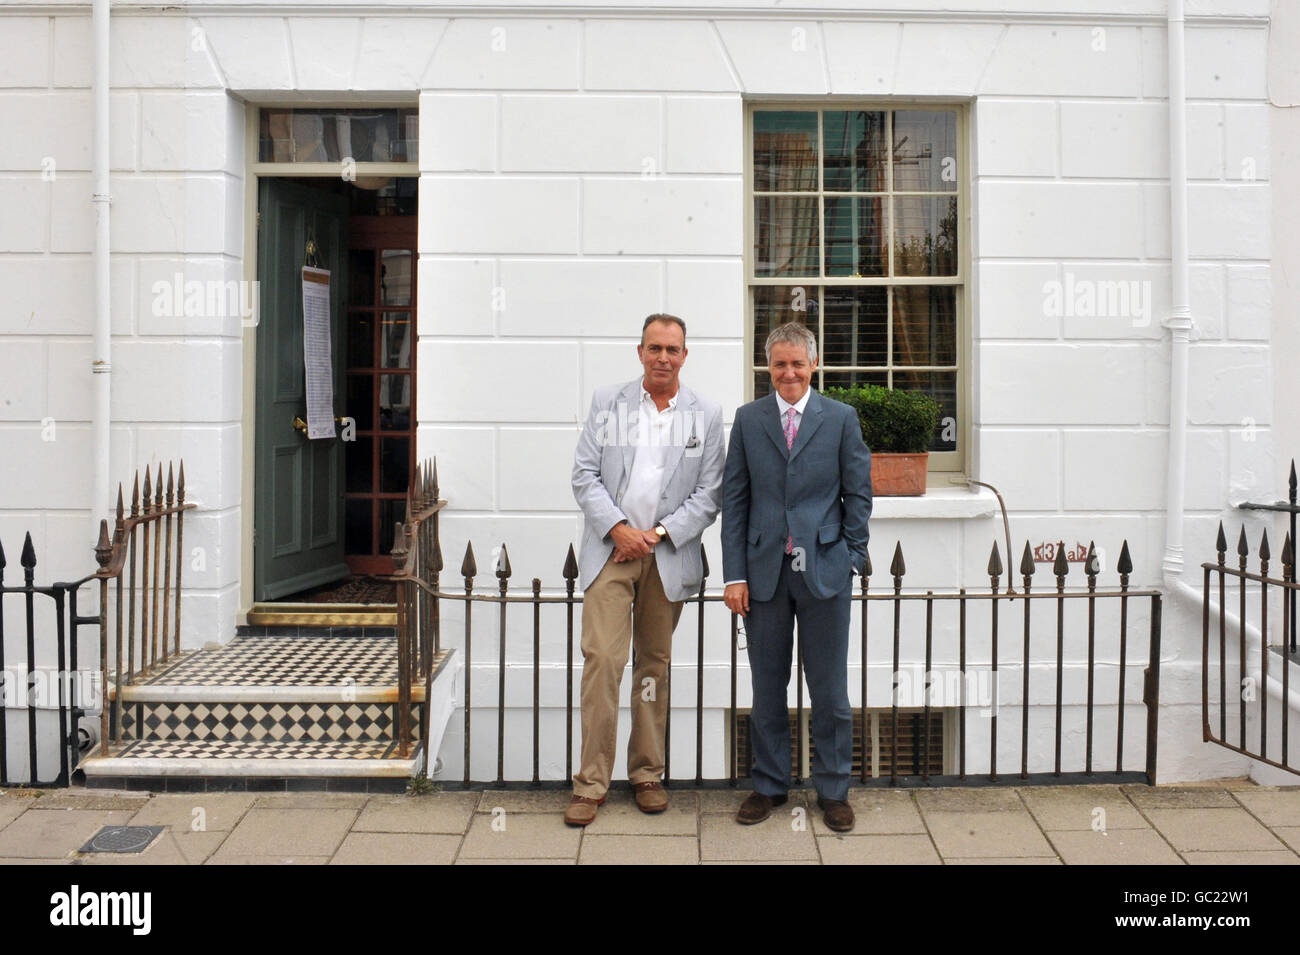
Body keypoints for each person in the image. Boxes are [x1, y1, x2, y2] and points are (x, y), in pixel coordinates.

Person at [566, 314, 725, 826]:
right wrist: (618, 529)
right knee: (604, 663)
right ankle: (591, 784)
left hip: (666, 555)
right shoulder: (608, 402)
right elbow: (584, 475)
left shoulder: (706, 413)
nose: (663, 357)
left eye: (672, 349)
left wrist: (655, 535)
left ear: (685, 355)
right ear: (640, 352)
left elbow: (710, 496)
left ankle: (646, 774)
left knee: (653, 666)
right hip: (611, 553)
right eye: (654, 348)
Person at [721, 322, 872, 832]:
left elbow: (859, 493)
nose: (789, 372)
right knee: (768, 685)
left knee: (829, 688)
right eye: (780, 364)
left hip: (824, 570)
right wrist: (734, 576)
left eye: (797, 364)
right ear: (769, 367)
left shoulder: (841, 418)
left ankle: (833, 789)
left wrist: (851, 554)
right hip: (765, 574)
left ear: (813, 366)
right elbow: (735, 502)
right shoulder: (748, 420)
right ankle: (768, 785)